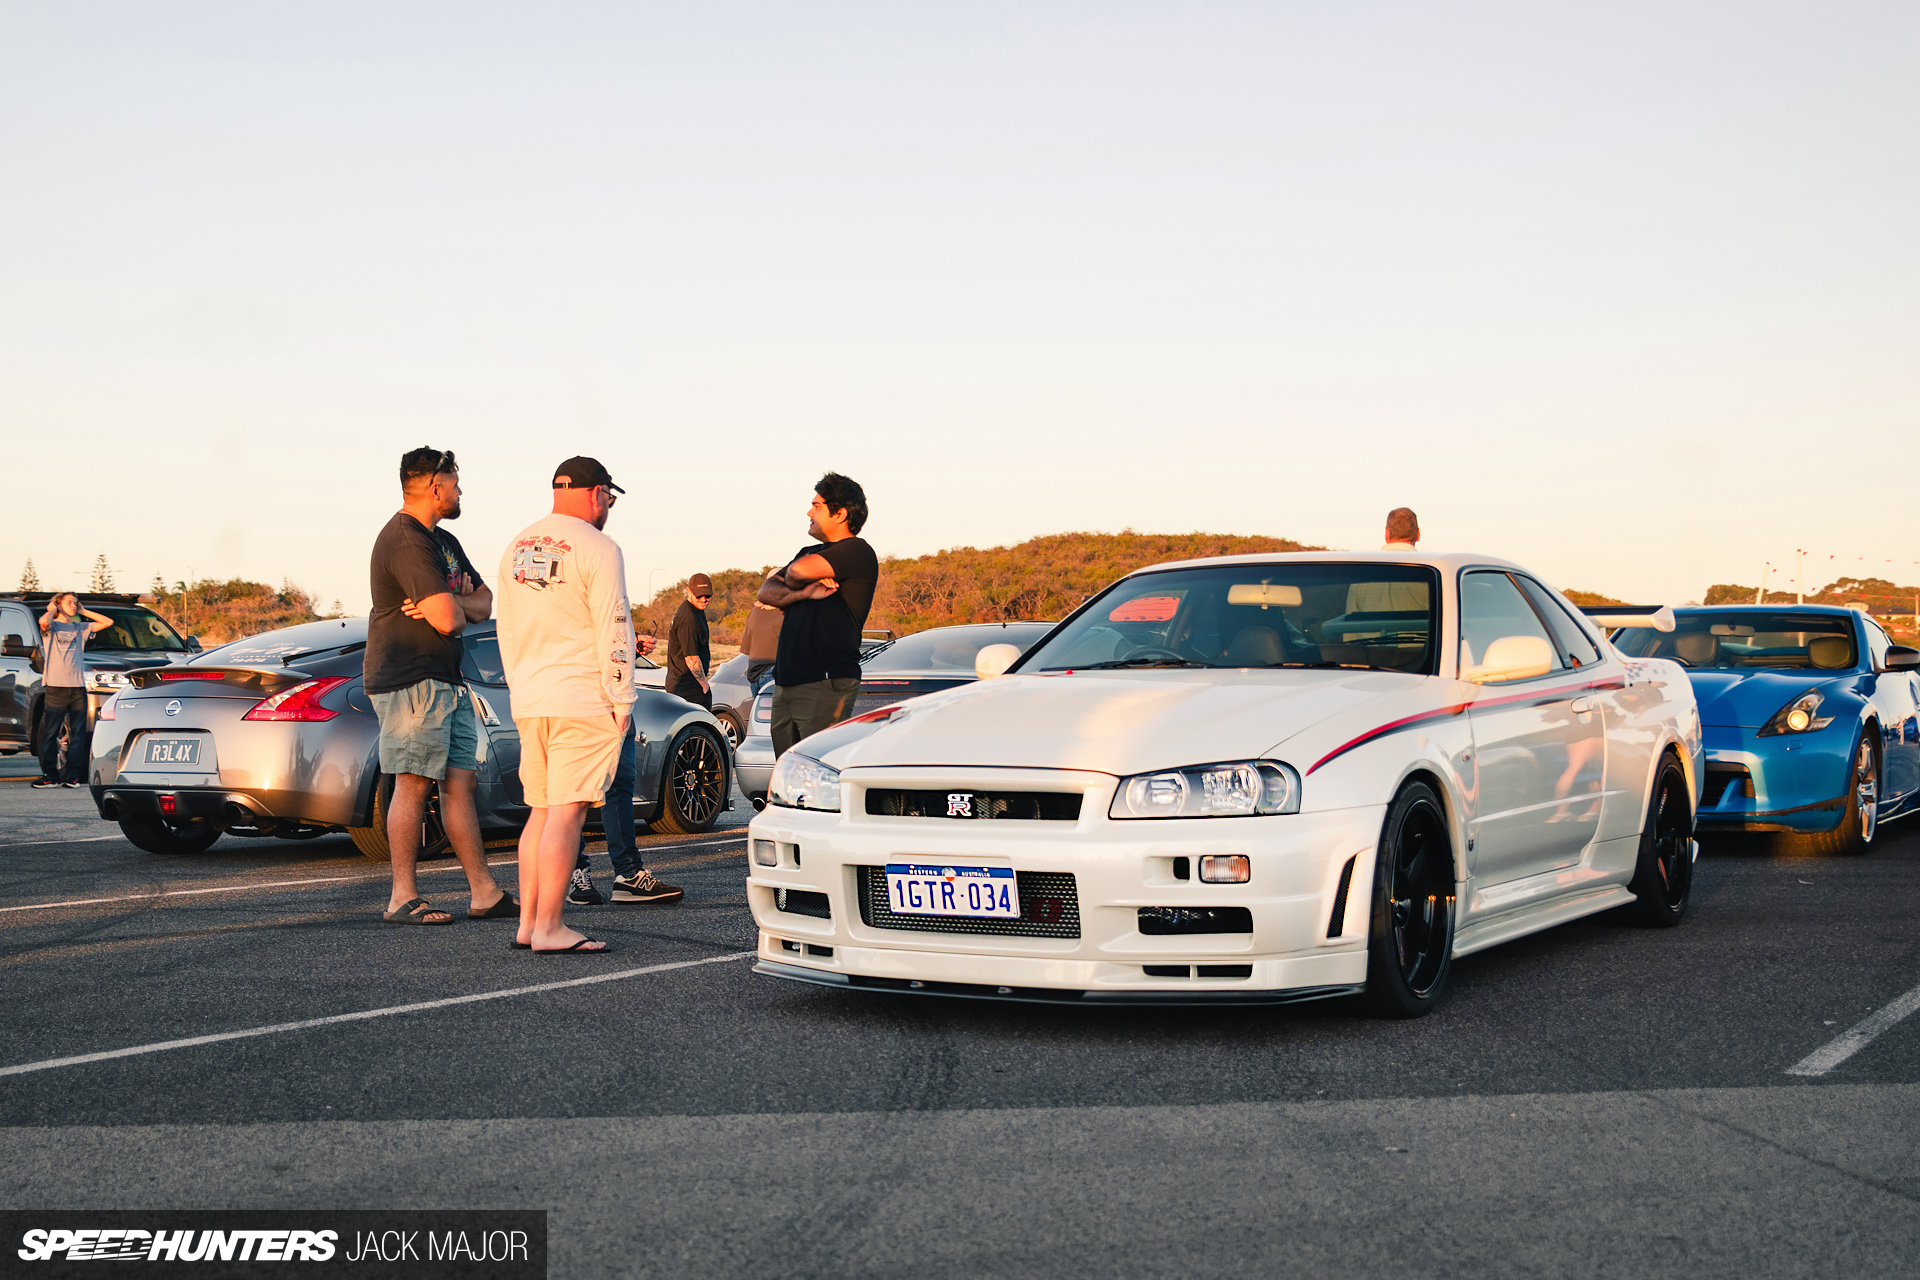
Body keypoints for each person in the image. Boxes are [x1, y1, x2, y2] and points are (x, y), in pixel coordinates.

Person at [364, 447, 513, 927]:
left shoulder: (442, 541)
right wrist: (454, 604)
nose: (460, 490)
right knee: (411, 782)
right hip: (411, 679)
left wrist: (452, 602)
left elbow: (484, 603)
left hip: (446, 678)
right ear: (435, 486)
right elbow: (450, 619)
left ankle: (484, 892)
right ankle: (401, 897)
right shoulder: (406, 541)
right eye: (455, 481)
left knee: (458, 784)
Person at [496, 456, 638, 954]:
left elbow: (505, 630)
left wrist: (520, 689)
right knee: (567, 814)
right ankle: (551, 927)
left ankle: (529, 923)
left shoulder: (516, 546)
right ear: (598, 493)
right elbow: (614, 626)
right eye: (609, 499)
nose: (609, 508)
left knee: (540, 810)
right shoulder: (600, 547)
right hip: (581, 696)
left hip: (531, 696)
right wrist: (622, 695)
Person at [759, 472, 878, 756]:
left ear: (840, 513)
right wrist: (803, 593)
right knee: (786, 774)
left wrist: (791, 579)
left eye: (817, 505)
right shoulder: (809, 551)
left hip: (824, 682)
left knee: (815, 771)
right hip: (786, 681)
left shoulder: (857, 551)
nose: (809, 512)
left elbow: (797, 572)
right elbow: (765, 591)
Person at [566, 633, 685, 909]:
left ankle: (629, 875)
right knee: (574, 789)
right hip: (578, 698)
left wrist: (628, 642)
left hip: (615, 698)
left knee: (619, 786)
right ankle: (576, 873)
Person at [33, 592, 112, 788]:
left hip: (77, 688)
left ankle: (73, 776)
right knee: (50, 734)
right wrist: (52, 608)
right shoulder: (52, 626)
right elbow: (43, 621)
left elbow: (108, 622)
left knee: (78, 734)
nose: (73, 605)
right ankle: (50, 775)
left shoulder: (81, 628)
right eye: (69, 602)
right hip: (56, 687)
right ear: (58, 605)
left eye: (76, 602)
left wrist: (84, 610)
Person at [664, 574, 713, 708]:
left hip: (689, 686)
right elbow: (691, 657)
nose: (703, 599)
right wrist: (704, 685)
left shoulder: (696, 610)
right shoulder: (688, 618)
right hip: (687, 689)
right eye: (699, 596)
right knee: (697, 727)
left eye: (707, 596)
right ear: (688, 591)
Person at [741, 600, 782, 690]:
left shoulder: (755, 610)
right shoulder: (783, 612)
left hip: (754, 672)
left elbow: (747, 648)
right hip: (772, 672)